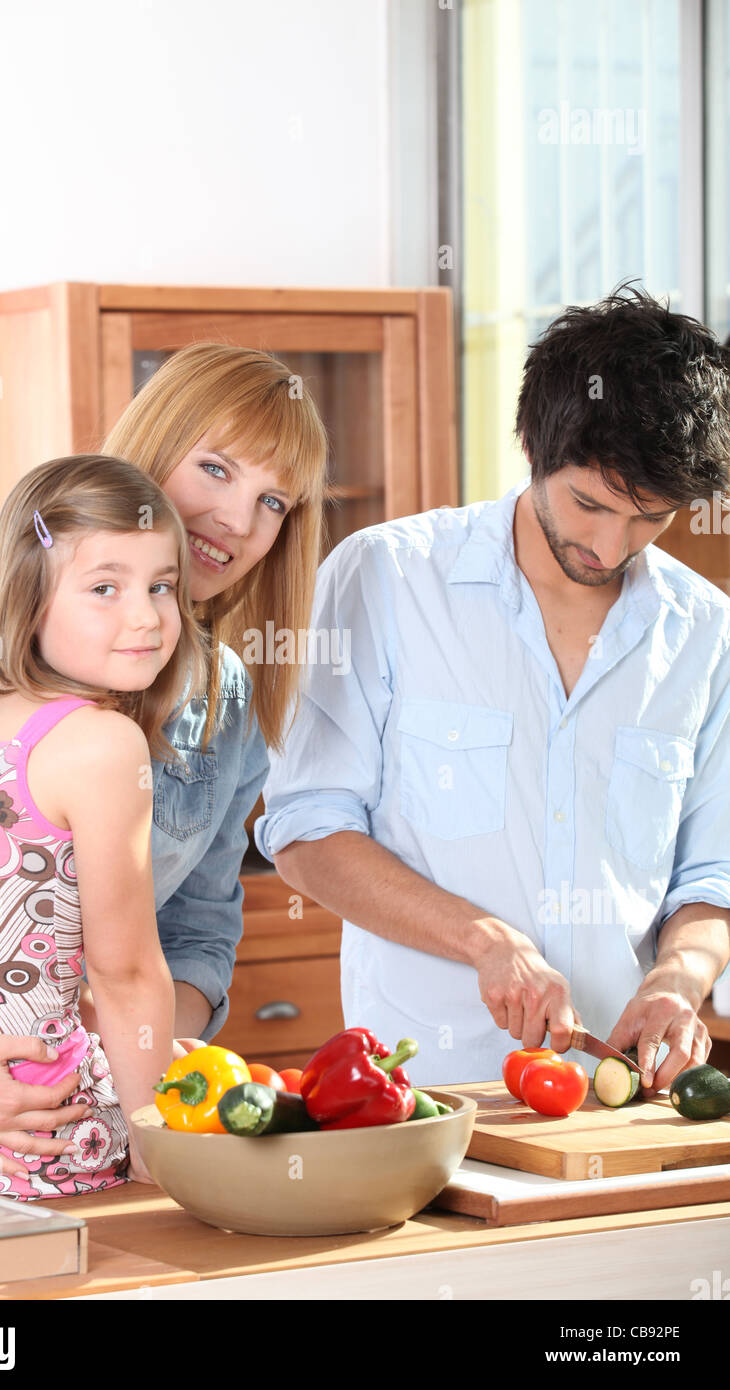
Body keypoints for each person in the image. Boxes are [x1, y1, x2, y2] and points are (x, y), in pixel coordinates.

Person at [0, 343, 327, 1178]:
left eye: (272, 502)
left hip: (55, 1114)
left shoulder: (227, 700)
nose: (235, 519)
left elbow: (188, 938)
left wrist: (136, 1062)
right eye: (215, 469)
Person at [256, 285, 730, 1091]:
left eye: (650, 517)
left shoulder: (707, 632)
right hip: (418, 1095)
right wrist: (484, 940)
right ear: (529, 445)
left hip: (613, 1095)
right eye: (589, 503)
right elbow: (307, 830)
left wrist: (681, 976)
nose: (611, 544)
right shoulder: (387, 576)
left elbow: (711, 875)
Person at [0, 454, 208, 1196]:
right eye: (104, 589)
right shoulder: (101, 746)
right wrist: (158, 1156)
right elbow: (126, 975)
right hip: (35, 1139)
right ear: (30, 599)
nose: (146, 616)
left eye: (161, 587)